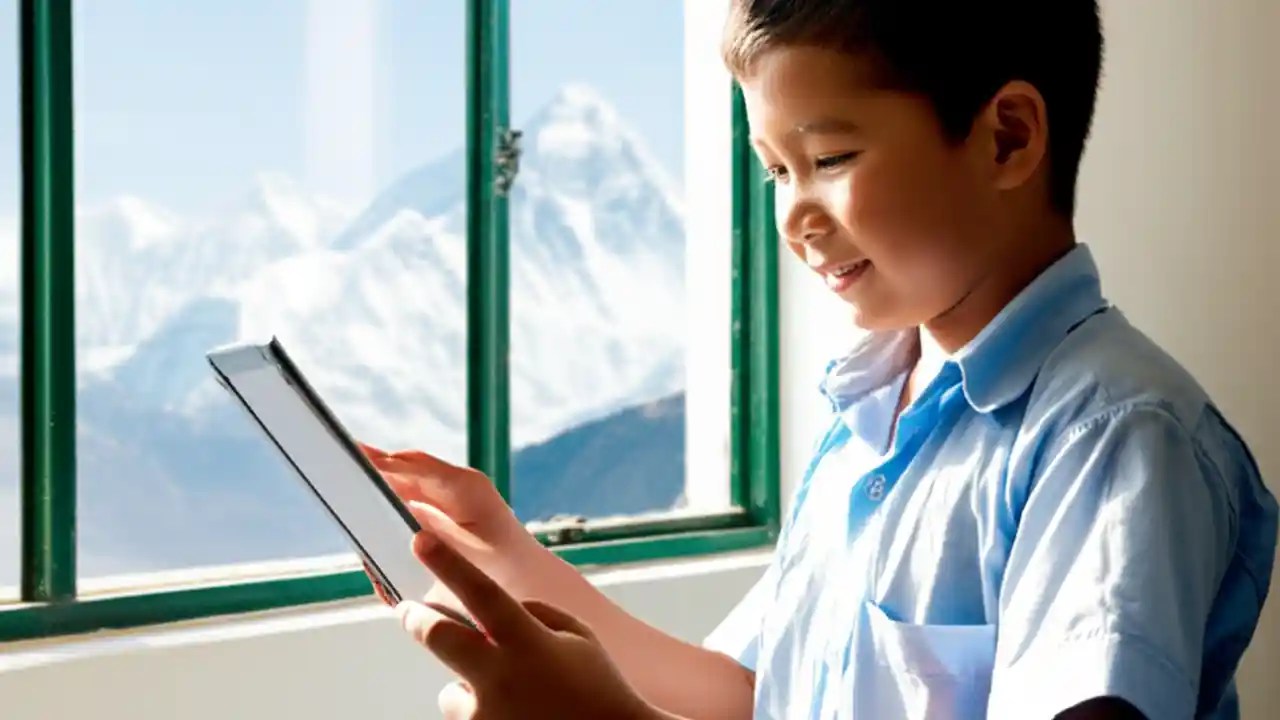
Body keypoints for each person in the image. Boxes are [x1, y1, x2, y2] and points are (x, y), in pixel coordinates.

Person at [361, 1, 1279, 718]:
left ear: (1008, 136)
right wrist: (516, 567)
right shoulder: (869, 418)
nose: (794, 217)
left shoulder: (1114, 440)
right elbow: (756, 694)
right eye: (772, 170)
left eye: (829, 157)